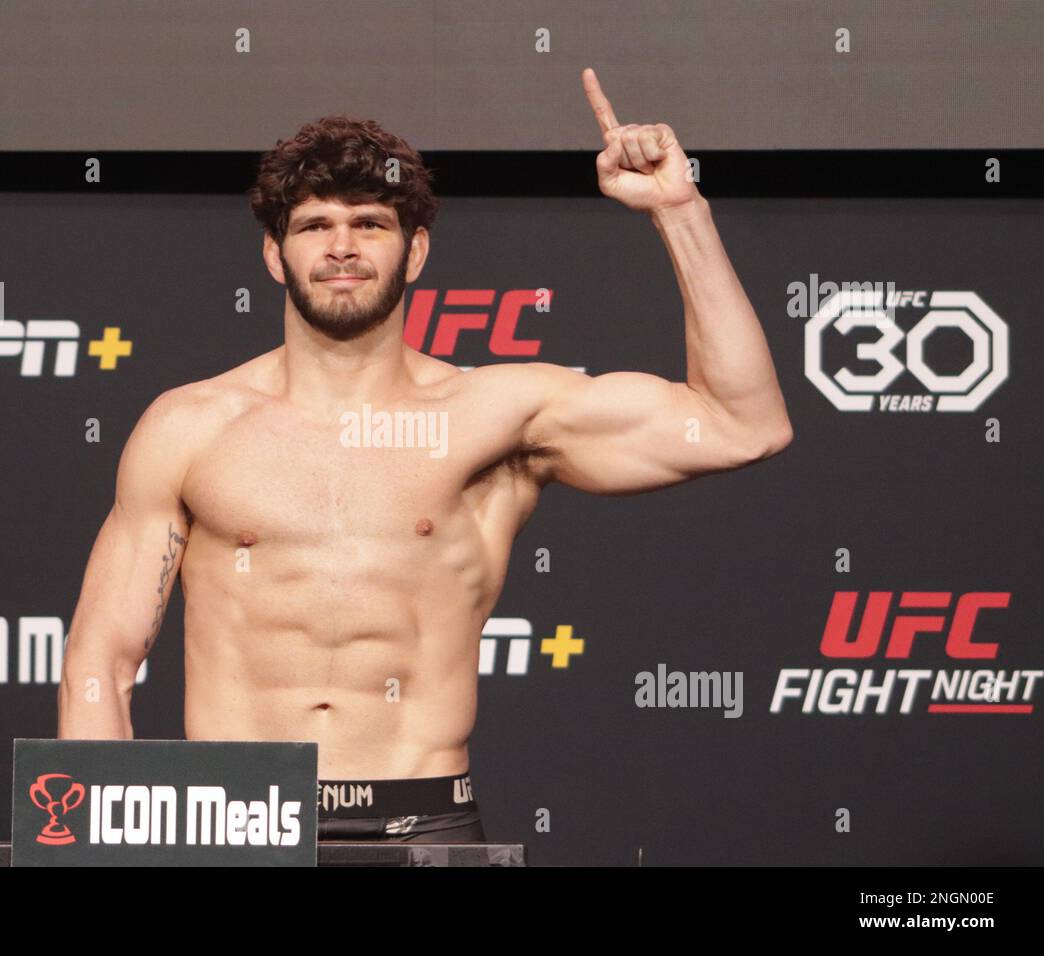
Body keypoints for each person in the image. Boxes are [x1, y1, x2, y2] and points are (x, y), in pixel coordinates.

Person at [57, 68, 793, 844]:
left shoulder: (493, 418)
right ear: (275, 256)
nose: (341, 248)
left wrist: (680, 211)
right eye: (313, 226)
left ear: (415, 254)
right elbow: (100, 659)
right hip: (237, 825)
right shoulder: (189, 427)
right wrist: (106, 846)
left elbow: (741, 423)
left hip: (424, 824)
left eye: (370, 224)